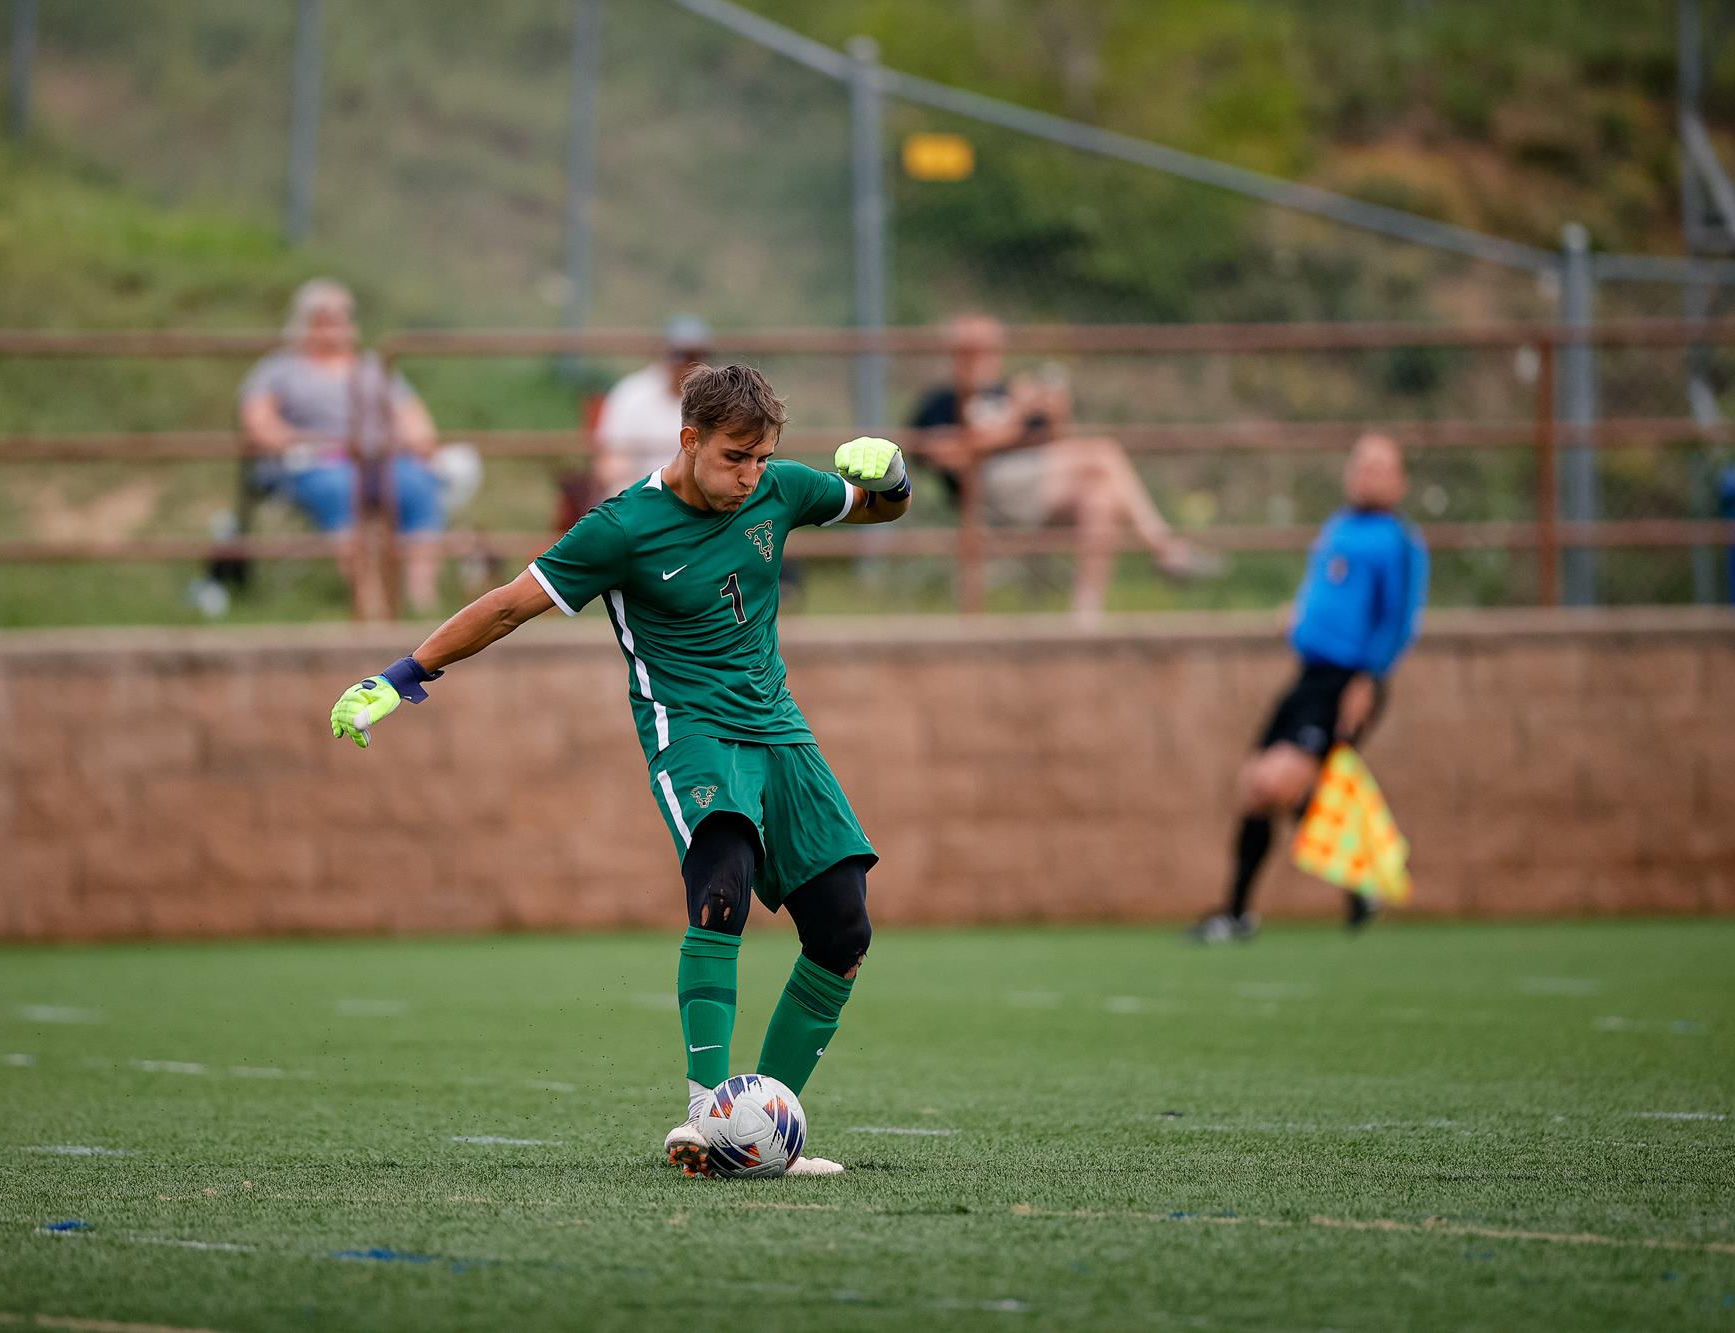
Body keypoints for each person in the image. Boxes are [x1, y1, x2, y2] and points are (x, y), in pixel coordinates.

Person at [327, 364, 913, 1176]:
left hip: (781, 734)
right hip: (693, 733)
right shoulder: (622, 528)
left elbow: (874, 505)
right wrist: (402, 675)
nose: (750, 475)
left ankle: (758, 1129)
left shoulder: (779, 490)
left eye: (761, 458)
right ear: (689, 440)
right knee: (724, 885)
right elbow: (507, 604)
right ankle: (707, 1109)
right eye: (735, 456)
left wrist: (892, 475)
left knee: (844, 928)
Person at [1192, 433, 1429, 943]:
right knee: (1256, 786)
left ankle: (1363, 871)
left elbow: (1397, 619)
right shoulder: (1338, 527)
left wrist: (1368, 679)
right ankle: (1237, 914)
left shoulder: (1399, 541)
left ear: (1399, 480)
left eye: (1379, 467)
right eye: (1360, 464)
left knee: (1279, 783)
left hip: (1345, 681)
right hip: (1308, 675)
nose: (1366, 474)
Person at [907, 313, 1219, 624]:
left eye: (991, 348)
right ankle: (1165, 548)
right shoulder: (940, 402)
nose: (985, 357)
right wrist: (1015, 417)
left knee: (1100, 496)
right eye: (974, 348)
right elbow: (946, 455)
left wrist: (1055, 412)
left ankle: (1085, 617)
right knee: (1103, 453)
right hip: (989, 493)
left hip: (1040, 484)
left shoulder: (1010, 391)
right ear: (956, 352)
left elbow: (1057, 443)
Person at [240, 279, 445, 619]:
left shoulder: (372, 367)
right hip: (318, 464)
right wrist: (302, 442)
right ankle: (368, 600)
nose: (333, 329)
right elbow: (259, 422)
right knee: (340, 488)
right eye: (323, 321)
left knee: (418, 486)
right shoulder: (280, 369)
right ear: (304, 324)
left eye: (339, 319)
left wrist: (420, 442)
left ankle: (423, 602)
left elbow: (413, 416)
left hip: (380, 459)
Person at [592, 316, 713, 497]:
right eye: (680, 355)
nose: (688, 364)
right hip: (643, 495)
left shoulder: (717, 399)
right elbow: (610, 463)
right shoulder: (632, 394)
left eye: (695, 356)